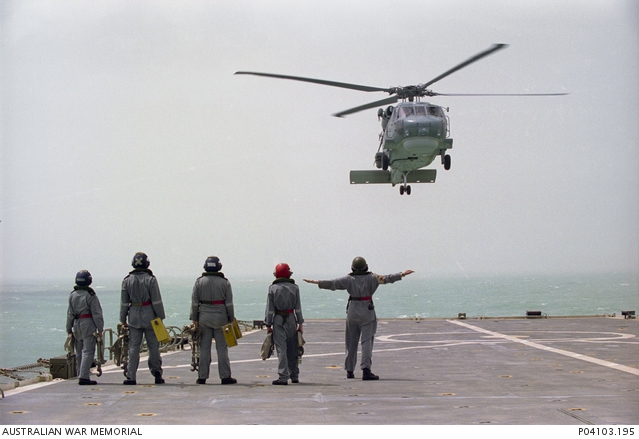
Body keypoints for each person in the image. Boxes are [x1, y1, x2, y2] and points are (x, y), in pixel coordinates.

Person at [304, 257, 413, 380]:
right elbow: (387, 278)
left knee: (350, 341)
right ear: (366, 267)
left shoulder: (348, 279)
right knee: (367, 342)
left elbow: (332, 283)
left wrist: (315, 282)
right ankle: (366, 370)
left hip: (353, 310)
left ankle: (349, 370)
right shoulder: (373, 278)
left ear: (352, 267)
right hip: (367, 310)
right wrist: (402, 274)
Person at [190, 256, 237, 385]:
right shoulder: (225, 283)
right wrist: (231, 318)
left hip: (204, 317)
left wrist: (194, 319)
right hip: (221, 317)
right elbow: (229, 303)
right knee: (222, 348)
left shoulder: (199, 282)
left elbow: (194, 303)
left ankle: (202, 376)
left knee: (204, 348)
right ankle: (225, 376)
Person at [120, 252, 166, 385]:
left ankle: (131, 376)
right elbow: (156, 300)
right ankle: (157, 373)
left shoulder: (127, 280)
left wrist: (122, 318)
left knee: (134, 347)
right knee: (153, 347)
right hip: (150, 315)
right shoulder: (151, 279)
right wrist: (160, 317)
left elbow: (124, 303)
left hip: (133, 315)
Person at [265, 263, 304, 385]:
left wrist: (268, 324)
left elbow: (270, 309)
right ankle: (294, 375)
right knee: (292, 348)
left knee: (281, 348)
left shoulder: (272, 288)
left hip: (278, 319)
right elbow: (298, 308)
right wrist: (300, 323)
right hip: (291, 319)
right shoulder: (295, 288)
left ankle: (283, 376)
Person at [66, 270, 104, 385]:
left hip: (76, 324)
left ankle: (80, 374)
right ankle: (84, 376)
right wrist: (100, 328)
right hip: (88, 323)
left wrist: (69, 329)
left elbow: (69, 314)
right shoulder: (90, 295)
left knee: (79, 352)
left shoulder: (72, 295)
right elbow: (97, 313)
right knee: (88, 351)